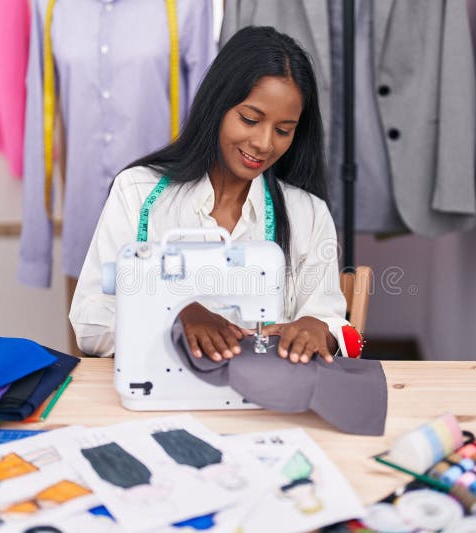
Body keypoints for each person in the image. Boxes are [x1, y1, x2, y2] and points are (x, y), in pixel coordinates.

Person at [69, 26, 352, 364]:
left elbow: (338, 328)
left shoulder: (308, 214)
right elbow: (89, 322)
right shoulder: (137, 193)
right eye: (250, 120)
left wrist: (318, 328)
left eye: (282, 130)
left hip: (261, 394)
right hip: (162, 388)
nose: (264, 143)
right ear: (217, 105)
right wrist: (174, 315)